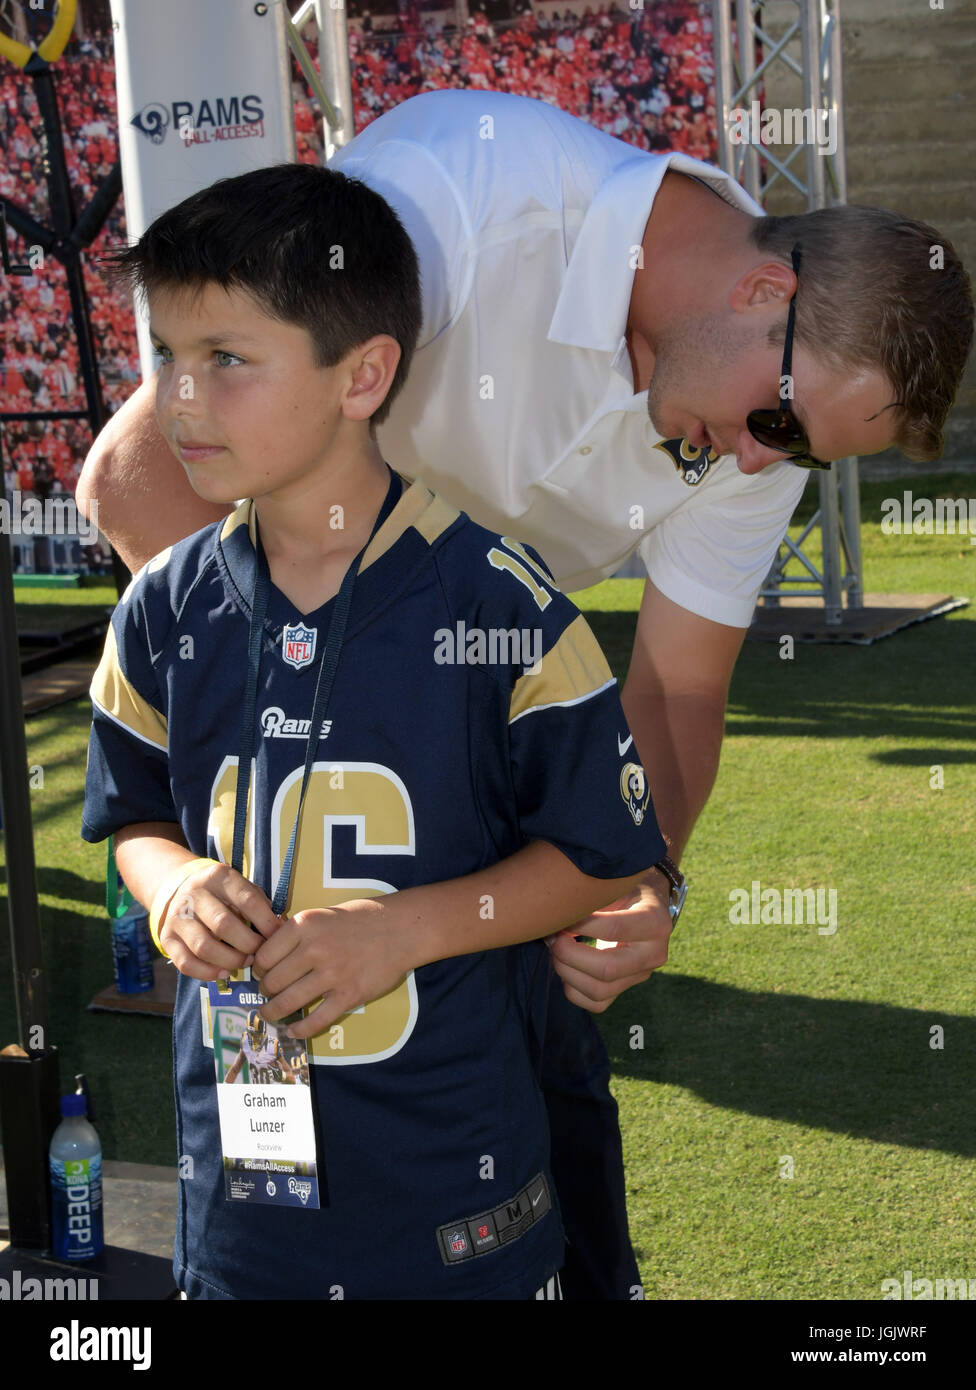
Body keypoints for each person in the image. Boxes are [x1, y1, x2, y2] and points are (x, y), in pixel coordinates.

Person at [77, 90, 974, 1299]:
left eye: (802, 451)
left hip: (503, 846)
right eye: (779, 422)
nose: (764, 460)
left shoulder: (757, 423)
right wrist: (280, 768)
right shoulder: (469, 190)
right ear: (764, 295)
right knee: (275, 1226)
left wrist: (639, 881)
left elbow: (677, 688)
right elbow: (135, 484)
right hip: (328, 860)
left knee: (558, 1220)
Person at [80, 162, 670, 1300]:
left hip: (455, 1200)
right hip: (244, 1206)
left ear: (365, 375)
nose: (180, 400)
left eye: (227, 360)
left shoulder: (502, 603)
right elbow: (135, 817)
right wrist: (168, 887)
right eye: (166, 357)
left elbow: (598, 856)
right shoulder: (165, 602)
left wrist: (402, 932)